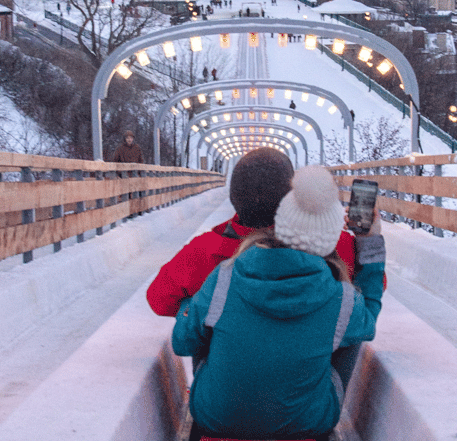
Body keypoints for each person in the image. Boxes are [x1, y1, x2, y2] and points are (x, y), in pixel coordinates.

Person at [173, 166, 386, 441]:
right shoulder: (341, 298)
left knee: (206, 321)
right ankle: (315, 407)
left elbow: (183, 343)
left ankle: (225, 400)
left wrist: (190, 308)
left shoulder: (225, 276)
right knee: (353, 329)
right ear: (331, 236)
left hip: (216, 419)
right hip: (307, 424)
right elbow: (368, 320)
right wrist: (371, 243)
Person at [146, 148, 359, 318]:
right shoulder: (328, 243)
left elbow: (159, 300)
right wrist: (365, 239)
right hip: (313, 367)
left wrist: (201, 311)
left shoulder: (205, 251)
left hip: (226, 367)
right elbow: (374, 282)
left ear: (235, 196)